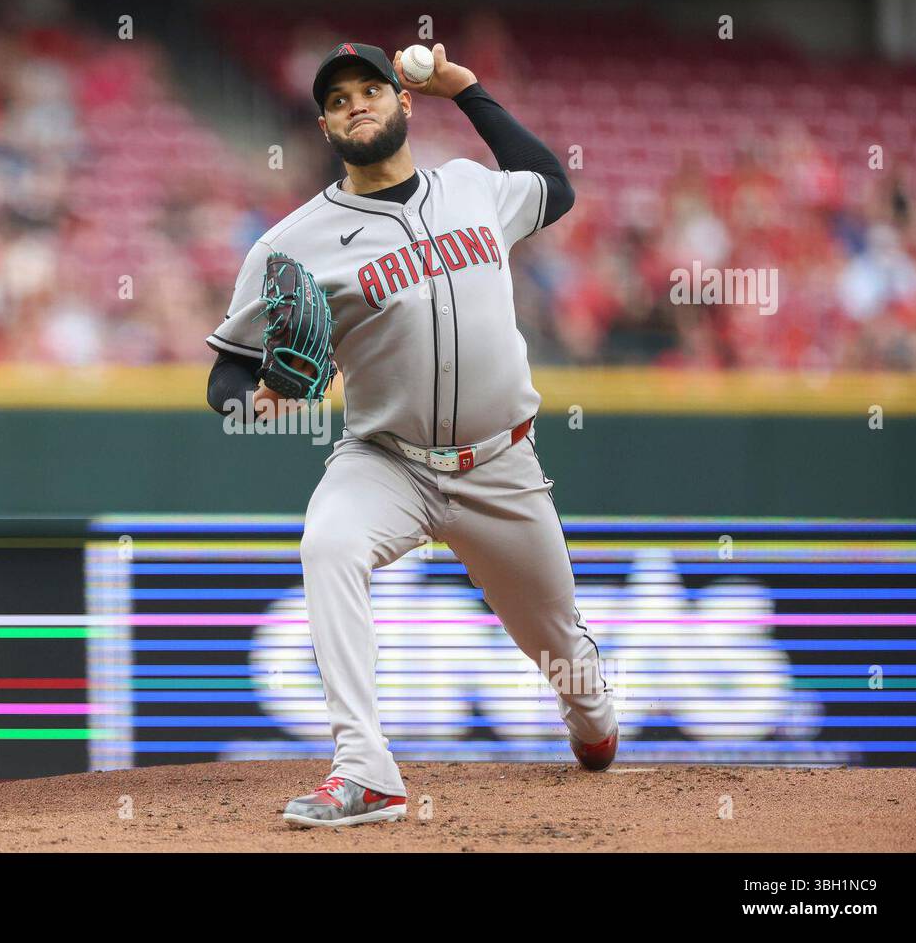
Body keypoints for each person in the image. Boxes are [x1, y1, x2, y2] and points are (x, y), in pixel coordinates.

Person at [205, 42, 618, 829]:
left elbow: (555, 186)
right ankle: (366, 772)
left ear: (404, 103)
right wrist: (255, 398)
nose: (356, 104)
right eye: (337, 100)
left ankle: (591, 717)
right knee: (327, 543)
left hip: (501, 465)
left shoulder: (471, 187)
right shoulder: (290, 242)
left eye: (371, 89)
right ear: (325, 126)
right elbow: (225, 374)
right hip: (384, 461)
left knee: (568, 661)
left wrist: (467, 88)